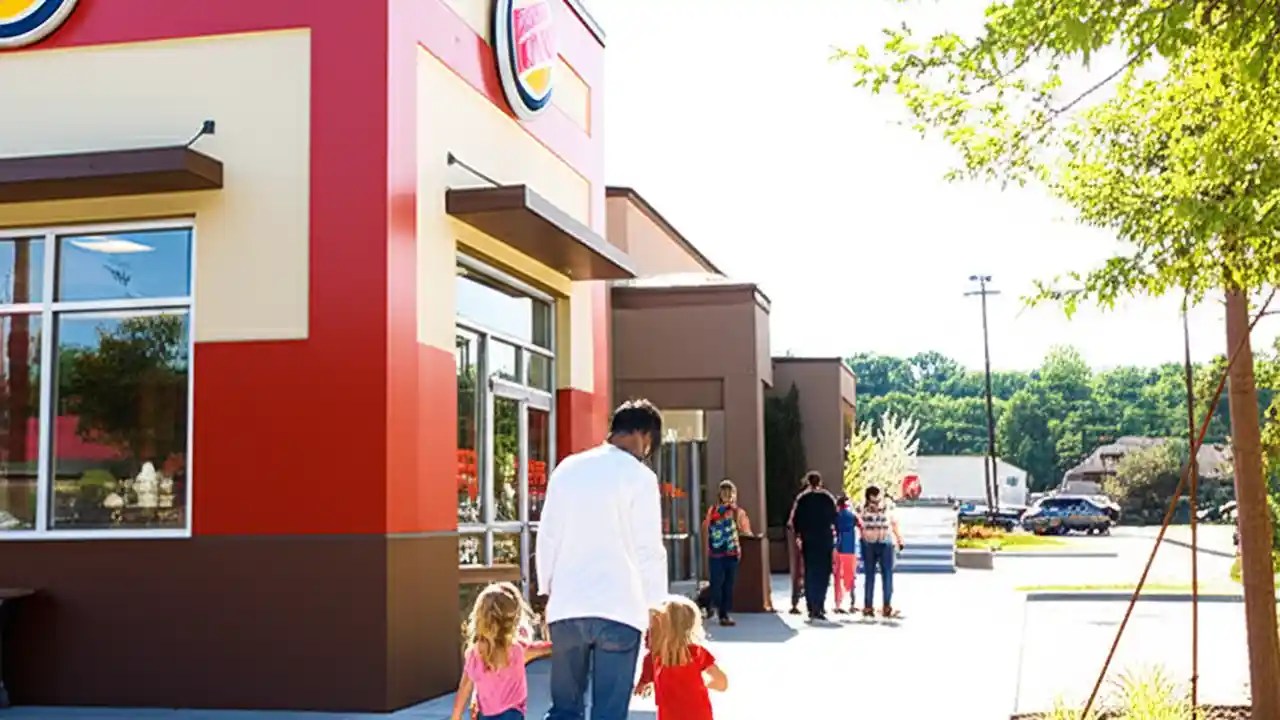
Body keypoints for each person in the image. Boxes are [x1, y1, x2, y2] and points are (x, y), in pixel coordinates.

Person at [535, 399, 669, 720]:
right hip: (620, 609)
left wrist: (546, 593)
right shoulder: (640, 478)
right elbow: (648, 549)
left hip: (567, 606)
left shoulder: (567, 468)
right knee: (609, 713)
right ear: (643, 435)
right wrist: (657, 609)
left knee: (564, 709)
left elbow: (548, 535)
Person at [451, 582, 553, 720]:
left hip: (484, 716)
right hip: (512, 714)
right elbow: (547, 648)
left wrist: (456, 717)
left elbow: (464, 690)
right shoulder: (517, 650)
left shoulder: (474, 653)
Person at [633, 596, 729, 720]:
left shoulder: (655, 657)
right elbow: (722, 683)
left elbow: (641, 688)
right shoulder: (697, 653)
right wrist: (699, 686)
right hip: (700, 714)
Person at [702, 479, 753, 627]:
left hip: (731, 554)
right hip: (716, 554)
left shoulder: (738, 512)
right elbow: (706, 527)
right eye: (724, 492)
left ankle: (723, 614)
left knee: (728, 585)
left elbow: (746, 529)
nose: (727, 496)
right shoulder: (713, 510)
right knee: (716, 584)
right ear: (720, 494)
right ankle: (710, 604)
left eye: (730, 493)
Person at [789, 471, 838, 620]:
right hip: (824, 538)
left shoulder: (802, 498)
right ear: (820, 482)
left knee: (810, 571)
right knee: (823, 573)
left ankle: (811, 606)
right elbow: (834, 517)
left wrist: (799, 534)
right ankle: (820, 605)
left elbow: (794, 521)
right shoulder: (827, 497)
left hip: (809, 539)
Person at [859, 485, 905, 619]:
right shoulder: (862, 510)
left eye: (878, 500)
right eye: (873, 501)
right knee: (869, 575)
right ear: (868, 499)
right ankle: (868, 606)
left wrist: (899, 539)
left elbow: (894, 523)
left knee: (887, 575)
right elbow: (858, 524)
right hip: (869, 544)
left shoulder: (887, 508)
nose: (876, 503)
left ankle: (887, 606)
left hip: (885, 543)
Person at [784, 480, 813, 615]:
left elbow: (791, 522)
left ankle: (800, 602)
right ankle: (801, 602)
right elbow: (792, 522)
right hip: (803, 541)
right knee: (802, 573)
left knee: (801, 573)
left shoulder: (800, 500)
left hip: (802, 539)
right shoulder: (802, 500)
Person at [832, 495, 860, 614]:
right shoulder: (852, 516)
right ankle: (852, 603)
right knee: (851, 577)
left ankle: (838, 604)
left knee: (838, 577)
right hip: (851, 549)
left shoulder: (836, 516)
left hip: (839, 548)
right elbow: (861, 526)